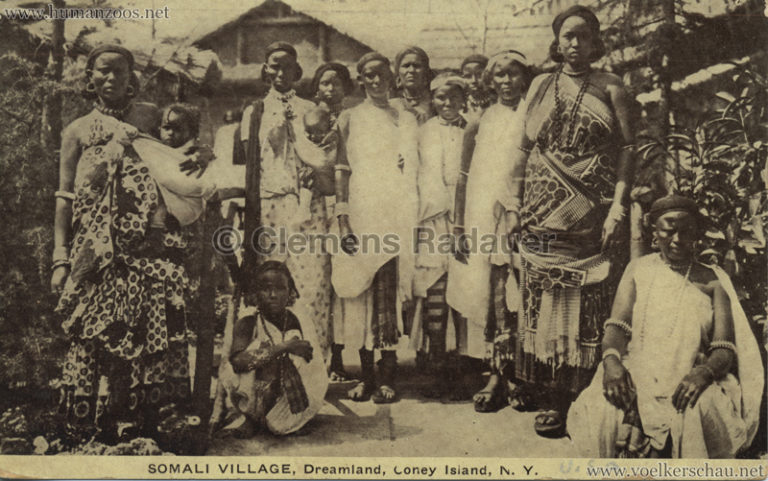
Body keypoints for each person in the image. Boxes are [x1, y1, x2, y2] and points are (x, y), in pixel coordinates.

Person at [50, 45, 212, 443]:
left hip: (149, 247)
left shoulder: (150, 118)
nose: (110, 78)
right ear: (90, 78)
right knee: (94, 332)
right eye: (102, 71)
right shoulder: (76, 131)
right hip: (94, 250)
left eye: (118, 72)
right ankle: (94, 423)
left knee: (152, 327)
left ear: (130, 77)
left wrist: (204, 154)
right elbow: (65, 196)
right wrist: (60, 256)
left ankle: (150, 420)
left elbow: (186, 147)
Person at [502, 5, 636, 437]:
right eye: (567, 36)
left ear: (596, 43)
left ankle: (578, 395)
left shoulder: (612, 86)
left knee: (586, 301)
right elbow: (523, 148)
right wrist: (513, 205)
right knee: (541, 297)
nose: (574, 44)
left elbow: (628, 150)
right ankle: (549, 394)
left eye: (582, 36)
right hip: (540, 208)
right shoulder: (541, 84)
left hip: (590, 210)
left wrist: (618, 205)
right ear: (556, 42)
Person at [568, 195, 764, 458]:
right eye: (669, 230)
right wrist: (612, 362)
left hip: (690, 374)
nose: (677, 239)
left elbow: (724, 348)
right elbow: (616, 327)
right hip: (638, 368)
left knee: (696, 408)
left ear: (697, 234)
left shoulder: (713, 281)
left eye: (686, 231)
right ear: (654, 232)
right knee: (605, 405)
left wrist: (704, 373)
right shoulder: (638, 270)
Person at [234, 42, 335, 362]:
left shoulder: (311, 109)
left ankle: (313, 363)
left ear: (296, 71)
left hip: (308, 207)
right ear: (265, 70)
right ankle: (273, 363)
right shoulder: (254, 112)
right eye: (273, 66)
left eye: (286, 67)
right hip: (270, 207)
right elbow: (249, 164)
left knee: (312, 283)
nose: (280, 73)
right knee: (271, 285)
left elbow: (326, 158)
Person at [446, 50, 532, 412]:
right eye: (499, 76)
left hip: (528, 214)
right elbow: (464, 179)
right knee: (496, 294)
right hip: (486, 217)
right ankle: (499, 374)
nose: (506, 82)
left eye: (513, 74)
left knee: (526, 296)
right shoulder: (479, 123)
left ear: (524, 78)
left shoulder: (534, 116)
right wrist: (460, 226)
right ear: (489, 81)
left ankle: (526, 377)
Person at [332, 52, 419, 403]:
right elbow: (341, 167)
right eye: (368, 75)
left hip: (394, 212)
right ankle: (366, 377)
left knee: (387, 296)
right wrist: (343, 218)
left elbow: (414, 160)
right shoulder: (350, 117)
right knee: (358, 294)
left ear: (392, 77)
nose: (376, 80)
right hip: (360, 211)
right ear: (361, 79)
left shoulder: (406, 118)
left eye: (382, 74)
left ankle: (388, 378)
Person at [412, 74, 470, 400]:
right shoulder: (423, 133)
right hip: (433, 216)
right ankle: (435, 358)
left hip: (464, 216)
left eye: (453, 98)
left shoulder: (472, 129)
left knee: (462, 285)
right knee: (434, 285)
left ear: (463, 98)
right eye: (439, 98)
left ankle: (460, 363)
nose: (446, 104)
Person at [219, 261, 328, 437]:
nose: (273, 295)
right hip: (253, 394)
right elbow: (238, 362)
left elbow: (310, 364)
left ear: (290, 292)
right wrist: (284, 347)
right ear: (255, 293)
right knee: (260, 349)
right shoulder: (248, 322)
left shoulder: (296, 320)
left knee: (277, 426)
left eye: (280, 289)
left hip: (286, 393)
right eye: (265, 289)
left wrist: (288, 352)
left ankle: (285, 415)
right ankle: (252, 418)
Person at [310, 63, 355, 380]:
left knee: (341, 282)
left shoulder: (353, 118)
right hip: (314, 206)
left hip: (345, 204)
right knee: (319, 281)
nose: (330, 89)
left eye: (337, 83)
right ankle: (321, 356)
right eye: (324, 83)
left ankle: (339, 356)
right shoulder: (306, 119)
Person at [391, 46, 435, 125]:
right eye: (406, 66)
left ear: (425, 72)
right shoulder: (392, 106)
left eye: (417, 66)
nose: (411, 70)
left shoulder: (436, 104)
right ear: (398, 73)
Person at [460, 54, 494, 123]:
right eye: (468, 76)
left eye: (479, 75)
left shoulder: (498, 103)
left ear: (490, 76)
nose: (474, 80)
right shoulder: (460, 106)